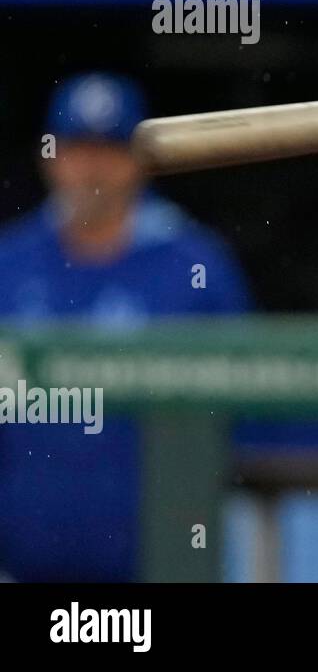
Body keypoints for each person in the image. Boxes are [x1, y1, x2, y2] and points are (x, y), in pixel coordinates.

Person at [0, 73, 251, 581]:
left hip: (163, 566)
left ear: (142, 160)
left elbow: (249, 409)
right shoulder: (11, 262)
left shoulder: (192, 264)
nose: (92, 167)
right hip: (24, 562)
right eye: (76, 148)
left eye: (111, 148)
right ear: (48, 156)